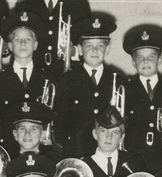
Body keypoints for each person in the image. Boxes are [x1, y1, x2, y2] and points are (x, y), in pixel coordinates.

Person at [53, 14, 125, 157]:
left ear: (107, 49)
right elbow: (60, 120)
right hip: (75, 151)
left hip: (108, 152)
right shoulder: (67, 80)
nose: (95, 50)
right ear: (79, 49)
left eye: (100, 46)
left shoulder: (117, 80)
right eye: (89, 46)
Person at [0, 9, 58, 146]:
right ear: (10, 46)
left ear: (35, 45)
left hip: (40, 148)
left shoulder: (49, 79)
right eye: (17, 40)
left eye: (28, 39)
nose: (23, 43)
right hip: (8, 147)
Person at [119, 24, 162, 173]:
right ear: (133, 62)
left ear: (159, 59)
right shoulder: (124, 88)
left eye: (151, 57)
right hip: (132, 156)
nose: (145, 62)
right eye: (140, 58)